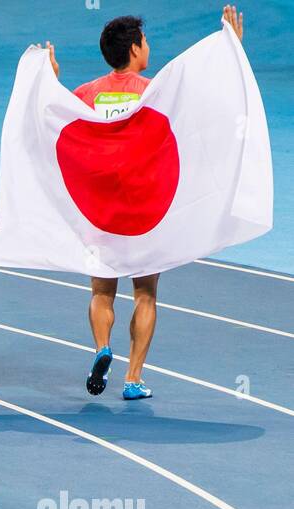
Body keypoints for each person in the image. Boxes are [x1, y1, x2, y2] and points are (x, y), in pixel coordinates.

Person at [47, 6, 245, 400]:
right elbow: (204, 105)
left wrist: (49, 84)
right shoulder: (153, 92)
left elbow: (55, 122)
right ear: (135, 49)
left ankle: (102, 347)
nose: (148, 47)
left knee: (101, 292)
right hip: (143, 211)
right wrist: (233, 52)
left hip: (101, 213)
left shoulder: (85, 94)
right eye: (146, 41)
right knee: (146, 294)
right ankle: (133, 379)